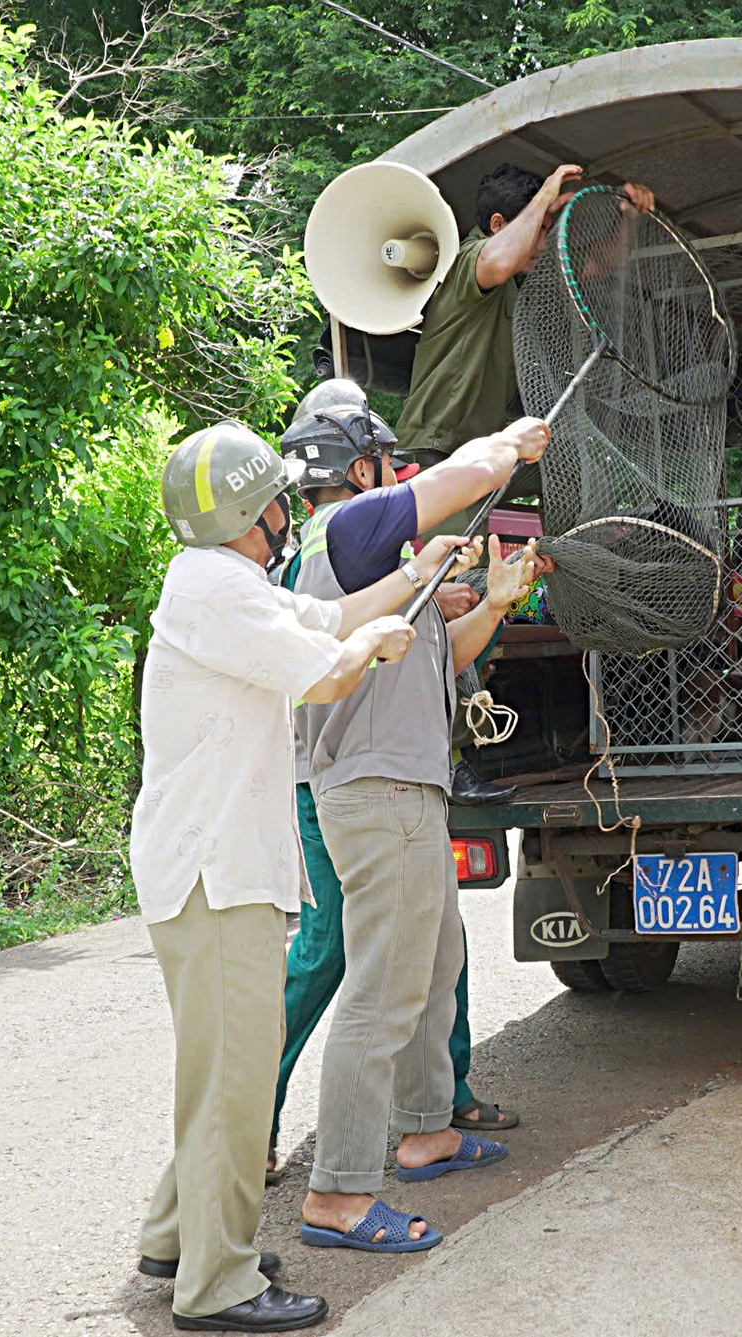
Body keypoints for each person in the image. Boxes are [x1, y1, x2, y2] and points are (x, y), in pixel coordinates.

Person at [130, 422, 477, 1331]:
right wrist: (381, 644)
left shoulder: (222, 581)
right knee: (237, 1080)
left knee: (220, 1069)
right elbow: (326, 671)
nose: (287, 513)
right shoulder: (217, 589)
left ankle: (178, 1237)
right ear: (253, 515)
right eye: (276, 501)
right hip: (215, 876)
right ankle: (219, 1283)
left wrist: (414, 575)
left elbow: (325, 619)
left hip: (210, 870)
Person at [291, 413, 546, 1254]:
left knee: (435, 963)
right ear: (362, 469)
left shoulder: (373, 566)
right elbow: (457, 479)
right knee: (382, 990)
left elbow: (437, 663)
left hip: (405, 787)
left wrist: (497, 602)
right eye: (388, 462)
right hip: (381, 792)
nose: (399, 475)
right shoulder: (349, 528)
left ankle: (426, 1128)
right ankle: (338, 1191)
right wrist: (508, 444)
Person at [397, 162, 654, 464]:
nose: (544, 243)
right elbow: (498, 263)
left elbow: (602, 262)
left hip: (478, 453)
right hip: (432, 450)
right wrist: (544, 197)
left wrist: (629, 216)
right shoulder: (467, 257)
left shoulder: (526, 271)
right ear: (497, 225)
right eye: (538, 228)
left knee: (567, 467)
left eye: (546, 229)